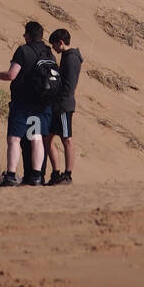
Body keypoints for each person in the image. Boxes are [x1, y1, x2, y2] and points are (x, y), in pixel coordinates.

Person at [0, 20, 53, 187]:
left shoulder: (23, 51)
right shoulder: (48, 53)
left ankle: (11, 175)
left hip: (22, 103)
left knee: (14, 139)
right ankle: (37, 176)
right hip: (41, 103)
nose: (24, 36)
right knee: (36, 138)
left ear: (29, 35)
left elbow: (11, 75)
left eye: (25, 34)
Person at [46, 28, 81, 185]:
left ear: (60, 42)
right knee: (48, 139)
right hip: (58, 105)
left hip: (64, 106)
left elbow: (69, 85)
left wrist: (59, 101)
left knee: (67, 139)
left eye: (54, 44)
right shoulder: (67, 57)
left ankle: (68, 175)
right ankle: (56, 173)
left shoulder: (71, 58)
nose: (53, 48)